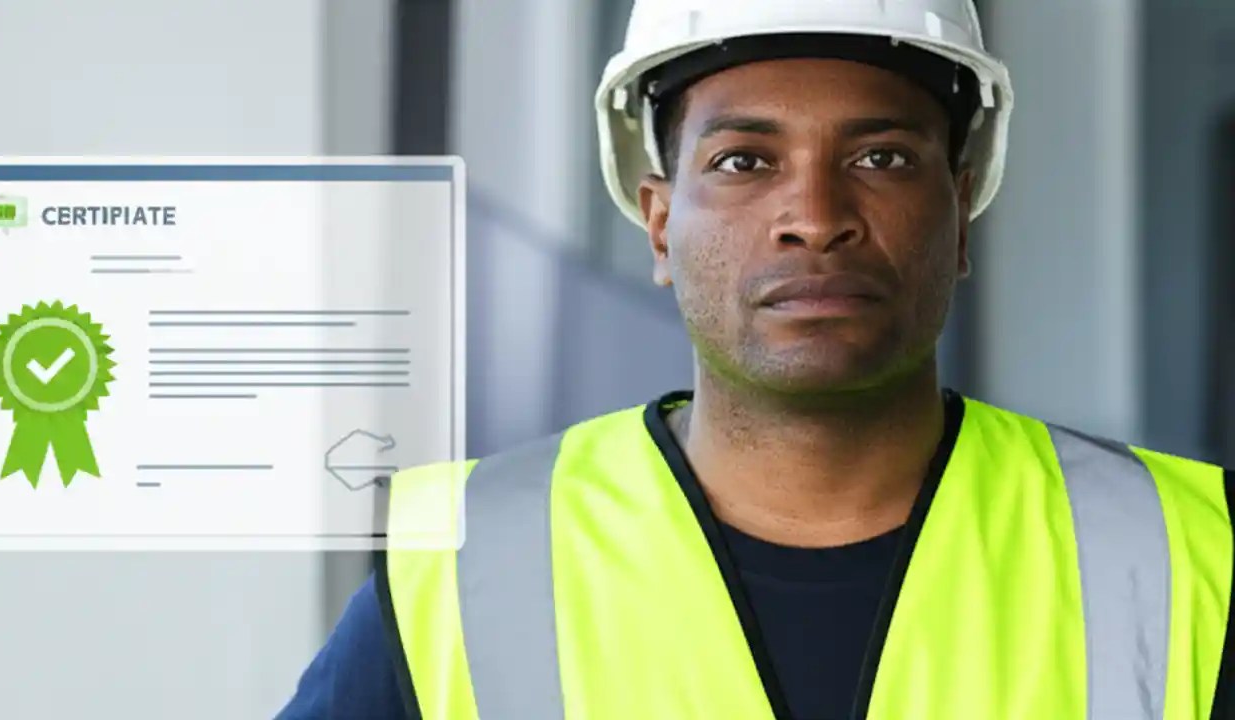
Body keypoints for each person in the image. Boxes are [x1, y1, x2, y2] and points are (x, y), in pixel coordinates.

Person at [279, 1, 1234, 717]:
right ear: (659, 225)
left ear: (962, 210)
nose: (815, 219)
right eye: (744, 162)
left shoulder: (1190, 554)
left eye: (883, 158)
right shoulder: (463, 571)